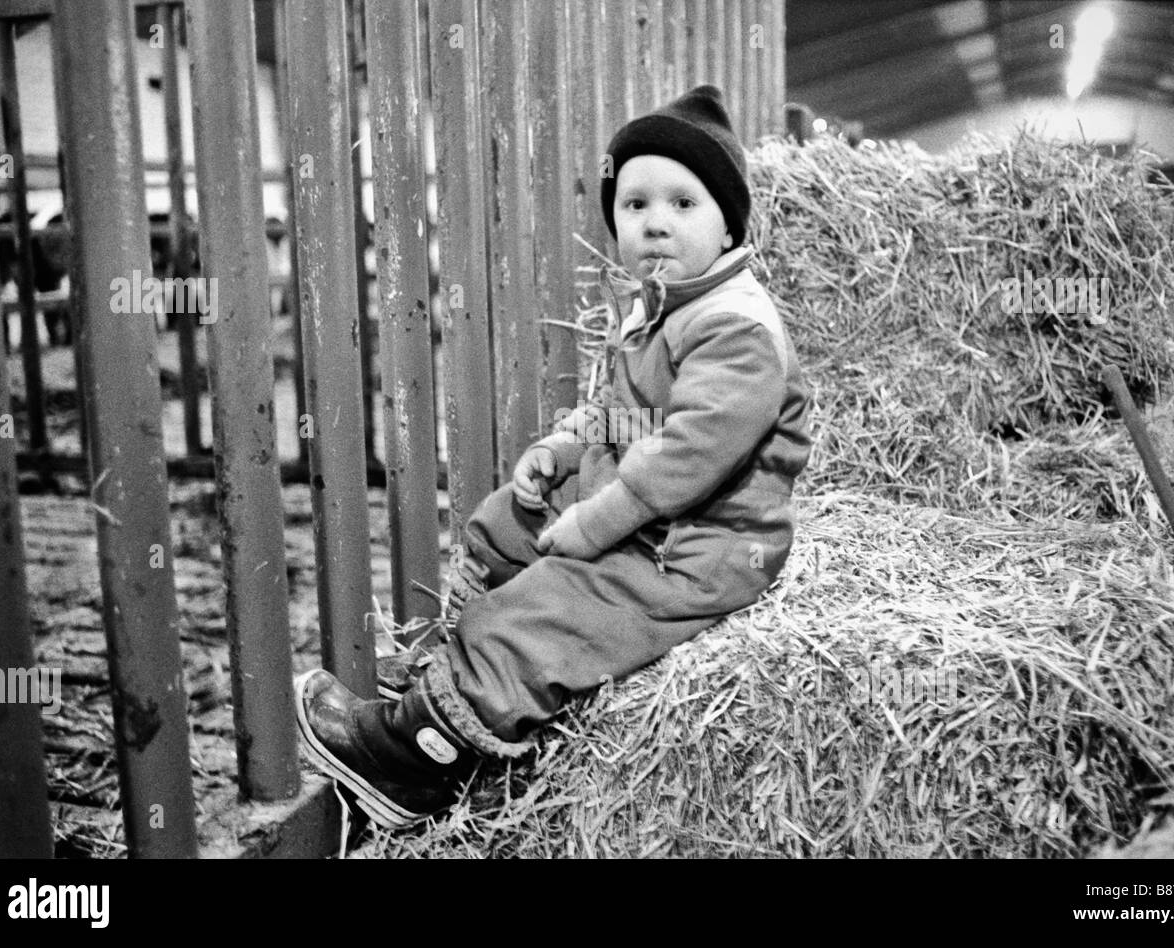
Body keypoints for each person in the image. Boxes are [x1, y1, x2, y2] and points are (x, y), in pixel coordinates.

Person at [294, 84, 811, 830]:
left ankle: (421, 761)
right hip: (654, 520)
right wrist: (566, 448)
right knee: (505, 525)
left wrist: (600, 522)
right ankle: (448, 672)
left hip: (703, 546)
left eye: (682, 204)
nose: (655, 224)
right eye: (635, 206)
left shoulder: (736, 329)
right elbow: (624, 408)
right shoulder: (664, 307)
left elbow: (693, 451)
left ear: (730, 227)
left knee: (546, 613)